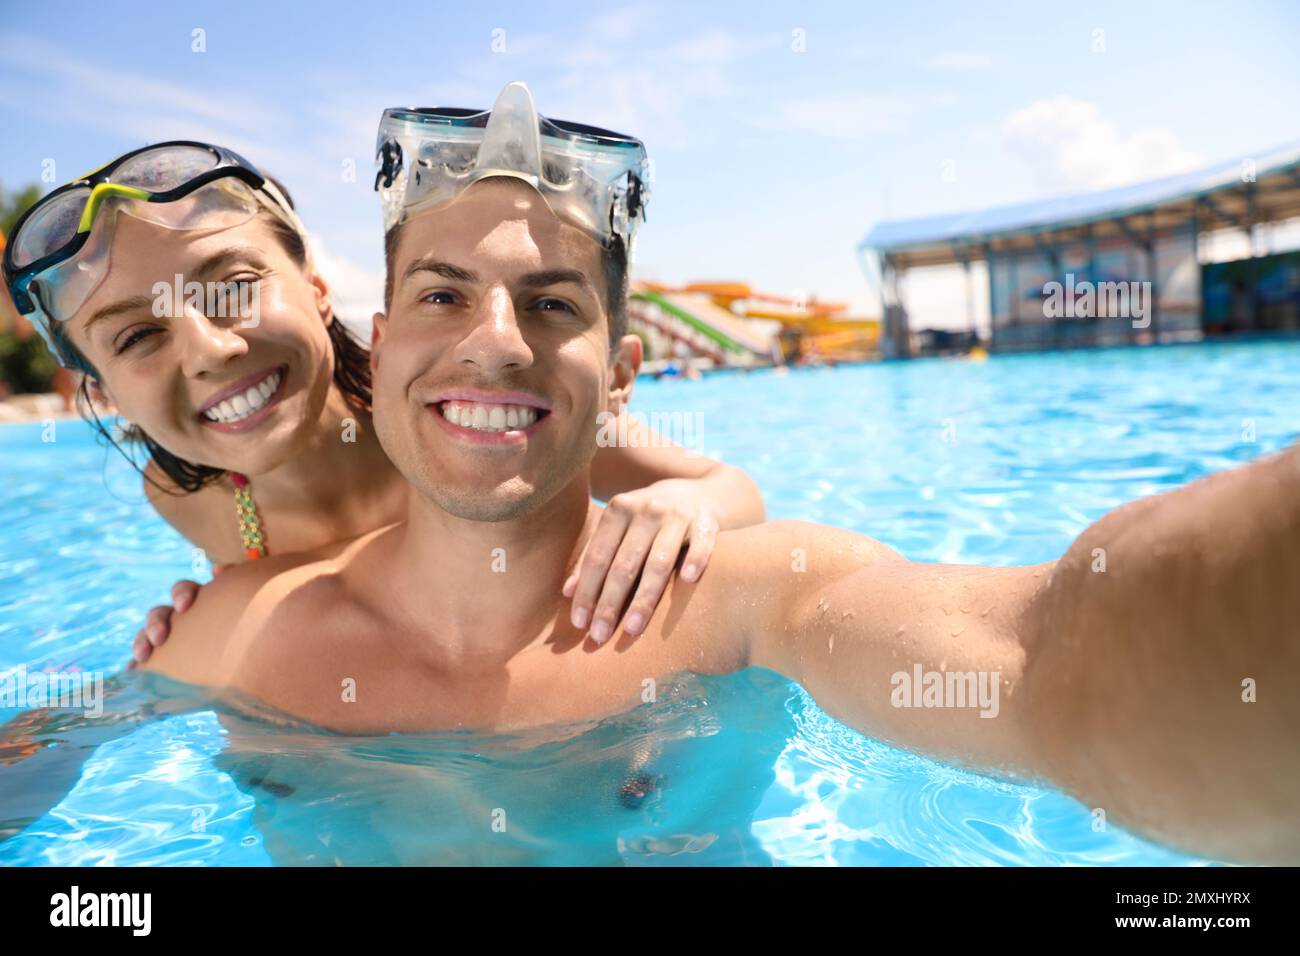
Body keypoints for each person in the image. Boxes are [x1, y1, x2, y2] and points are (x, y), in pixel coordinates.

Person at [143, 84, 1299, 865]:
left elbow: (1046, 654)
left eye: (551, 305)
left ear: (624, 370)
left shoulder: (739, 602)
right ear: (383, 339)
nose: (494, 340)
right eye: (443, 295)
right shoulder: (243, 627)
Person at [1, 138, 765, 660]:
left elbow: (728, 488)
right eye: (137, 337)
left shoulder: (459, 409)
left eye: (233, 290)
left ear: (318, 287)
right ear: (100, 392)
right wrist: (216, 622)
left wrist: (683, 509)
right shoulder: (178, 491)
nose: (211, 351)